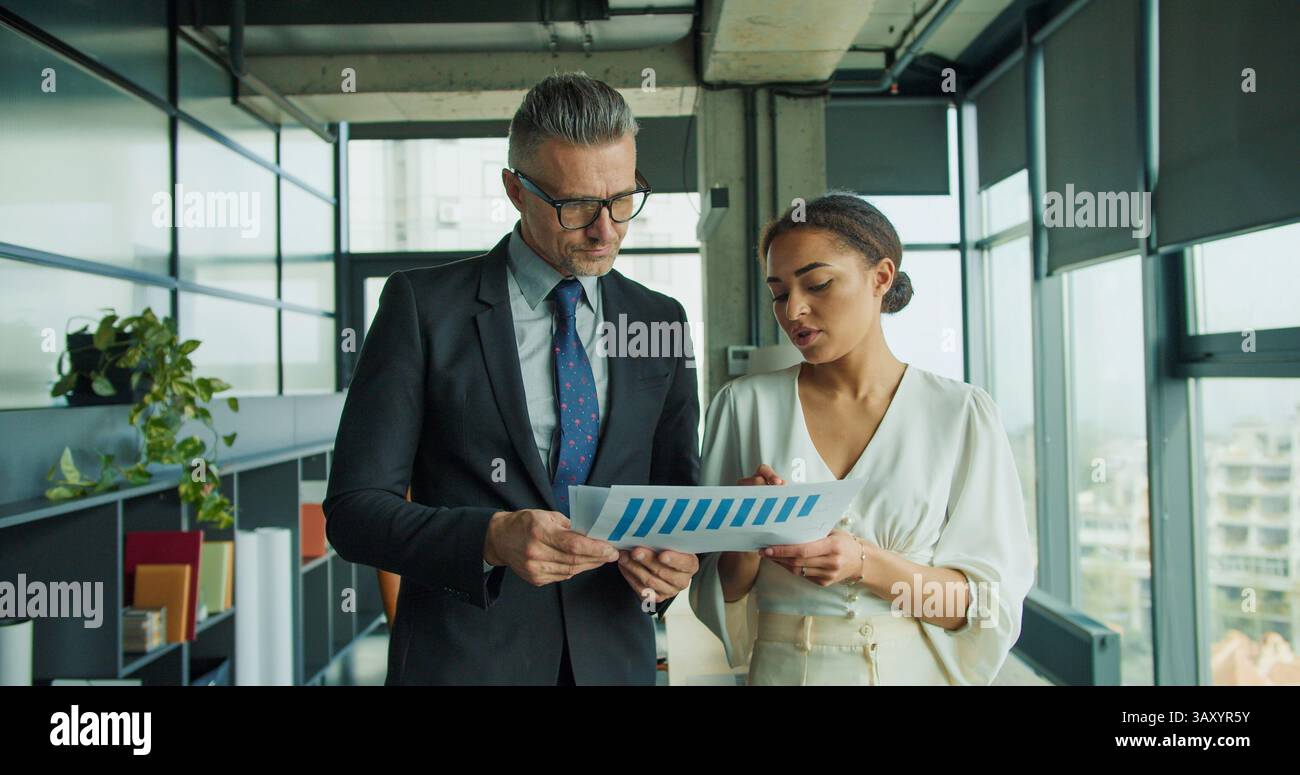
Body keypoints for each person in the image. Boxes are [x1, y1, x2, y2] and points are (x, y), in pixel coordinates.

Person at [324, 72, 701, 685]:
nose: (607, 230)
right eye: (577, 205)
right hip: (462, 663)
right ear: (515, 189)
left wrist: (678, 565)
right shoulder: (423, 308)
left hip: (614, 662)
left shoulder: (660, 320)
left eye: (624, 199)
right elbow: (354, 513)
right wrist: (490, 538)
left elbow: (674, 497)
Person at [689, 193, 1035, 685]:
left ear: (881, 278)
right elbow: (717, 597)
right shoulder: (743, 407)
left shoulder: (960, 414)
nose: (794, 309)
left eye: (818, 283)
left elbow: (983, 608)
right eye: (778, 292)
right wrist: (743, 539)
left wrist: (864, 563)